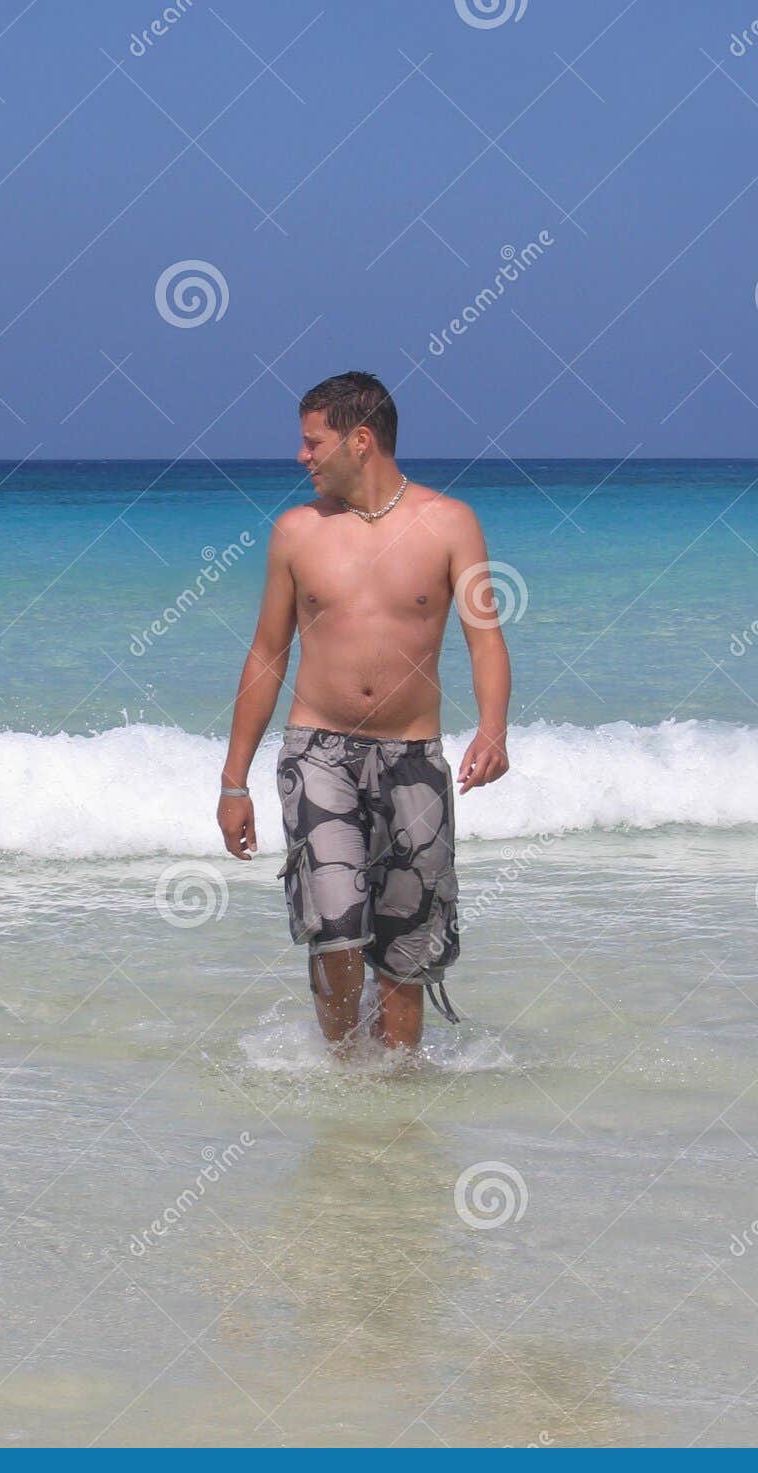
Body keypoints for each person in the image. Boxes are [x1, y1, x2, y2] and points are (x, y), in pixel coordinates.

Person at [216, 371, 512, 1053]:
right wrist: (234, 781)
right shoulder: (296, 533)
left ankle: (395, 1100)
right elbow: (266, 656)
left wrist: (493, 730)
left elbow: (485, 638)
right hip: (316, 753)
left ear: (361, 440)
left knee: (406, 950)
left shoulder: (450, 524)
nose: (302, 457)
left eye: (312, 442)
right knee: (334, 930)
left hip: (413, 758)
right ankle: (343, 1076)